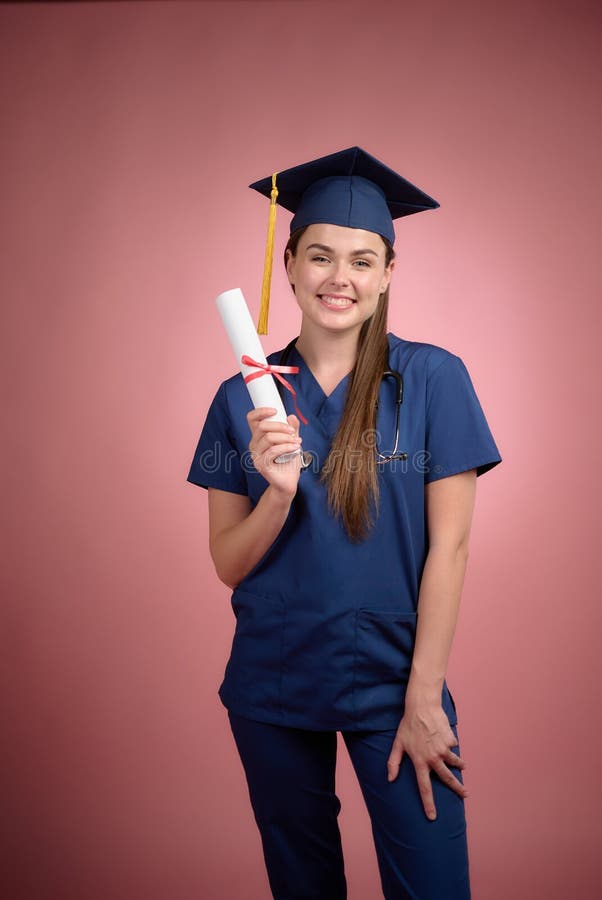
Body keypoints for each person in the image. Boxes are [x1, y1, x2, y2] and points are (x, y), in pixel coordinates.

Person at [187, 147, 502, 900]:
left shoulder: (432, 379)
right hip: (274, 679)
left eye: (363, 261)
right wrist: (275, 491)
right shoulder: (241, 399)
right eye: (321, 255)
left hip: (395, 683)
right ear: (289, 264)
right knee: (304, 887)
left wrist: (424, 695)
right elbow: (229, 564)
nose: (340, 278)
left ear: (388, 273)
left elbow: (450, 549)